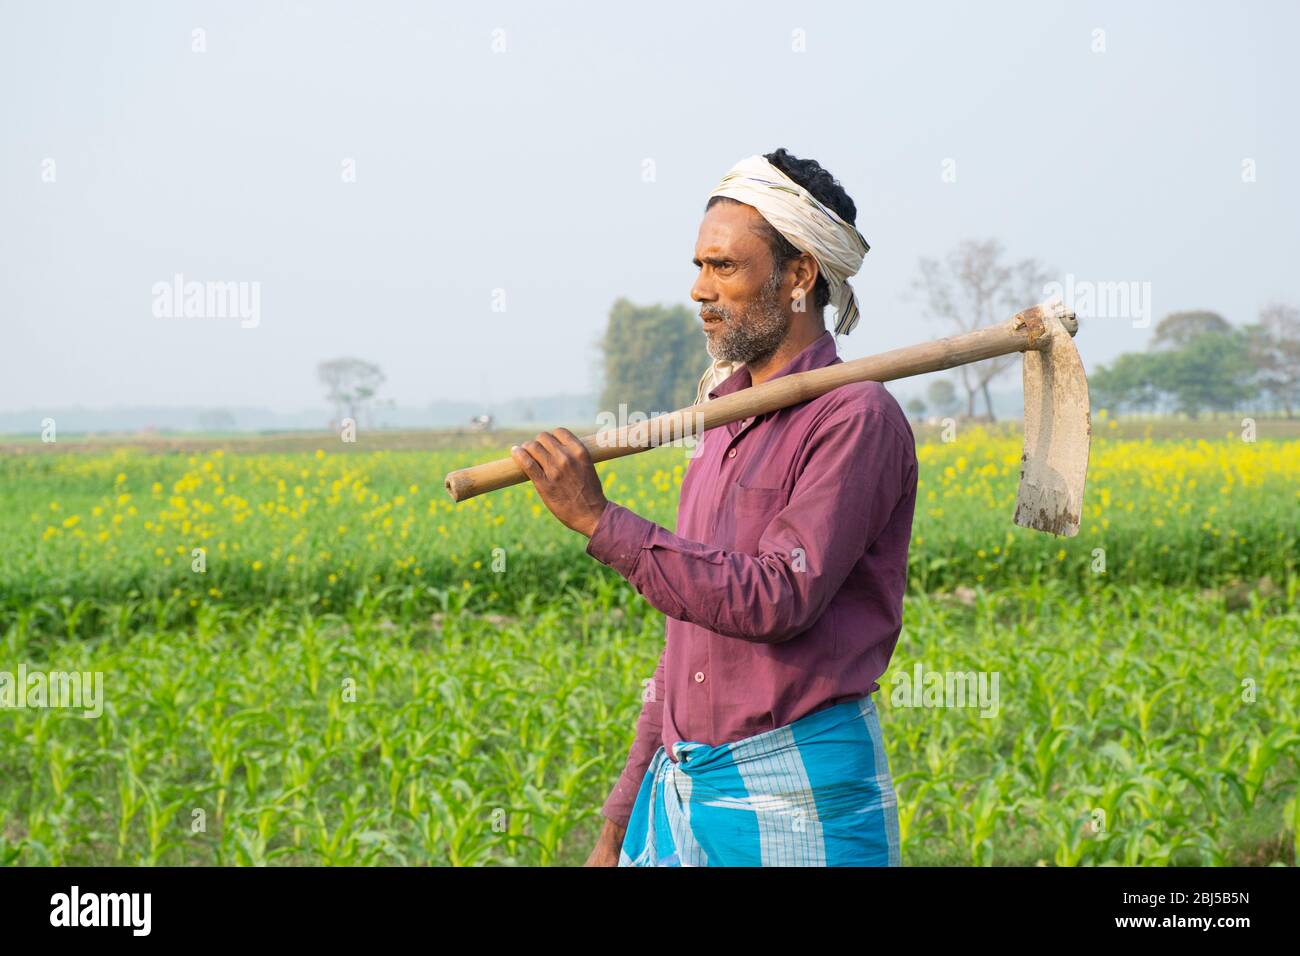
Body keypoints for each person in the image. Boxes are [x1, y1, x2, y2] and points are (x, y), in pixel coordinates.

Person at [509, 148, 917, 866]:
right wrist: (619, 818)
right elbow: (683, 647)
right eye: (699, 266)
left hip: (801, 795)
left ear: (798, 276)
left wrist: (601, 522)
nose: (700, 290)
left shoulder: (854, 418)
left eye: (724, 267)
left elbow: (776, 598)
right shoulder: (718, 418)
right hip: (681, 790)